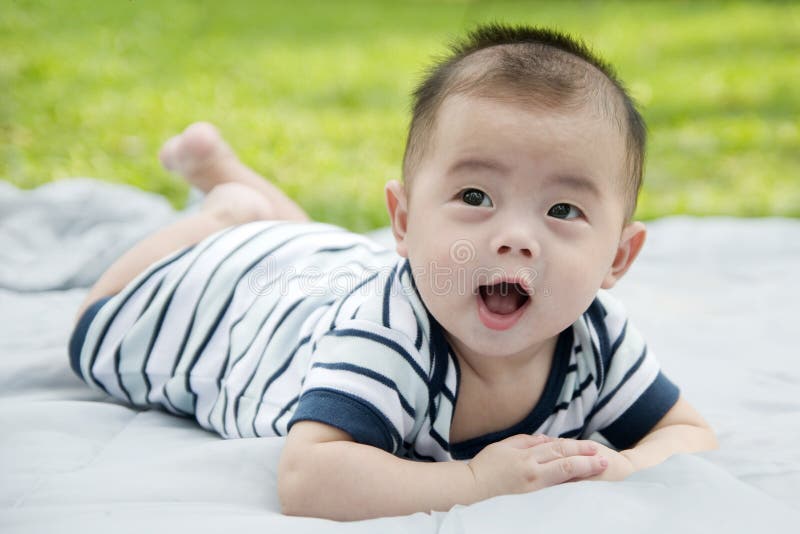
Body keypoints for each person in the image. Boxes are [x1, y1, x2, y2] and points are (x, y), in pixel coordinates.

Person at [68, 23, 718, 521]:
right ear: (403, 221)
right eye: (474, 197)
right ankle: (222, 216)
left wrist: (624, 465)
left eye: (563, 209)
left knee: (305, 248)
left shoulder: (596, 339)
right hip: (230, 296)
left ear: (617, 259)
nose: (516, 238)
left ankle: (236, 192)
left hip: (326, 269)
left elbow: (687, 432)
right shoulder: (386, 338)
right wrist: (473, 483)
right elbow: (308, 478)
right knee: (95, 321)